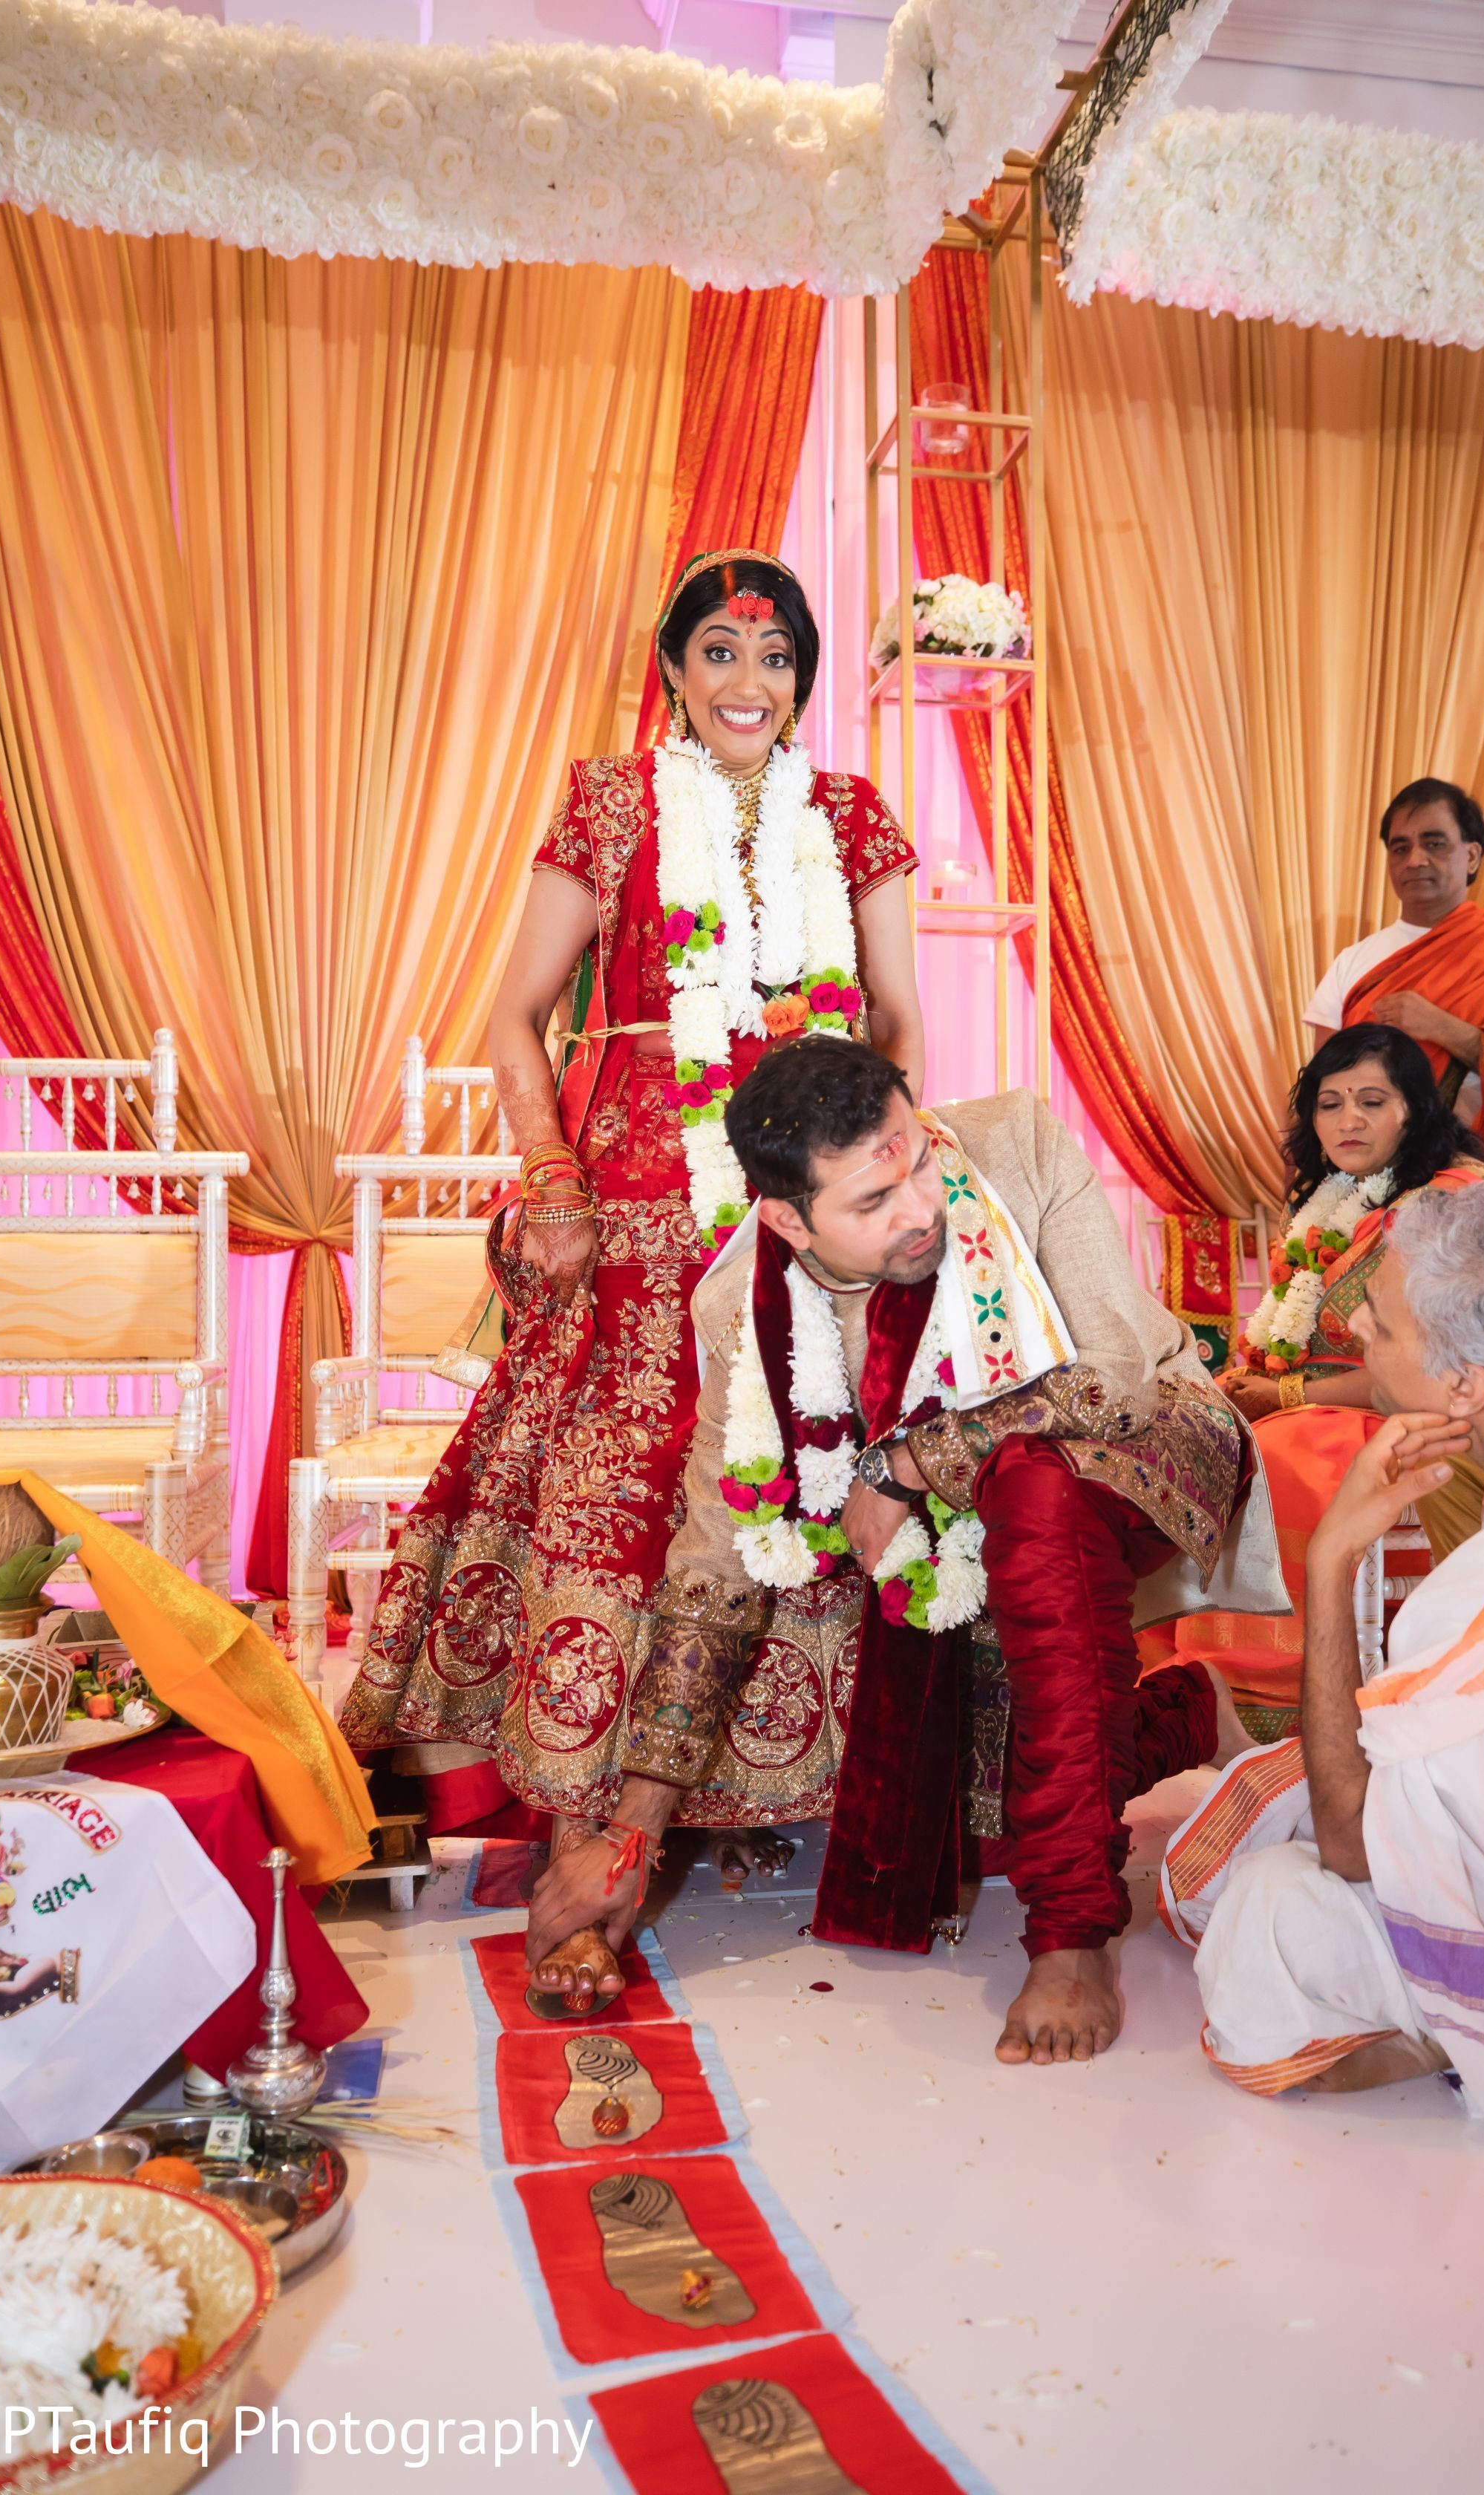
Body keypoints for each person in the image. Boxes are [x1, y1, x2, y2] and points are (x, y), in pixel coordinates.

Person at [523, 1036, 1287, 2063]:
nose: (922, 1208)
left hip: (1143, 1447)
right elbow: (712, 1569)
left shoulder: (1013, 1145)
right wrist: (636, 1832)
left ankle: (1072, 1935)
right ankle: (1195, 1710)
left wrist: (905, 1467)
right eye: (870, 1205)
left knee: (1036, 1482)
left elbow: (1117, 1379)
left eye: (915, 1160)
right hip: (959, 1538)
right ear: (788, 1221)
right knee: (976, 1825)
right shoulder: (737, 1310)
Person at [338, 552, 925, 1874]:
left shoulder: (853, 815)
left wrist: (888, 1179)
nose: (749, 682)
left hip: (807, 1196)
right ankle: (589, 1793)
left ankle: (773, 1787)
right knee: (627, 1479)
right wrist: (549, 1175)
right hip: (636, 1207)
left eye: (776, 659)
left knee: (801, 1450)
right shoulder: (610, 804)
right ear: (670, 669)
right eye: (720, 650)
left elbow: (898, 1020)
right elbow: (512, 1015)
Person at [1160, 1186, 1484, 2142]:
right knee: (1272, 1783)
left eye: (1384, 1319)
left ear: (1464, 1389)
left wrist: (1329, 1563)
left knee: (1268, 1910)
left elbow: (1350, 1846)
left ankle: (1464, 2033)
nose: (1352, 1319)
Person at [1192, 1025, 1484, 1740]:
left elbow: (1427, 1368)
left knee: (1276, 1463)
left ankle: (1292, 1704)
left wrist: (1291, 1396)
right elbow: (1301, 1337)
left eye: (1371, 1100)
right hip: (1323, 1405)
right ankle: (1207, 1696)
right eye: (1329, 1104)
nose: (1347, 1120)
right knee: (1195, 1434)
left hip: (1417, 1409)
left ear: (1414, 1110)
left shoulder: (1448, 1203)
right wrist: (1261, 1379)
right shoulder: (1340, 1198)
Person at [1303, 777, 1484, 1150]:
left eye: (1434, 844)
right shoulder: (1350, 964)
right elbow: (1323, 1086)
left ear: (1471, 856)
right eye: (1400, 848)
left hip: (1477, 1175)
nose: (1416, 859)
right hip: (1364, 1177)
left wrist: (1443, 1027)